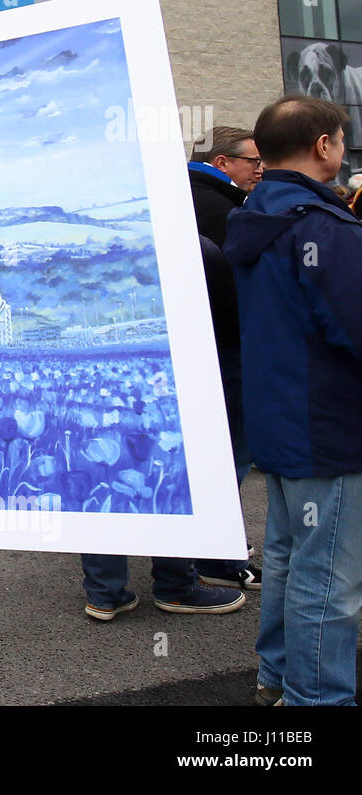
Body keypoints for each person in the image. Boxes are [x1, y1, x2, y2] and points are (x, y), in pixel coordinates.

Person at [225, 94, 362, 706]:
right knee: (329, 575)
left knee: (287, 558)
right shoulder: (320, 227)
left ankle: (276, 678)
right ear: (323, 146)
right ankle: (318, 701)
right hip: (326, 426)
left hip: (280, 420)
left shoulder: (254, 217)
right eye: (340, 138)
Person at [186, 127, 261, 591]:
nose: (259, 167)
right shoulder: (218, 208)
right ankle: (215, 555)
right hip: (227, 350)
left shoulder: (193, 198)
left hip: (206, 350)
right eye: (251, 160)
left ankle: (207, 547)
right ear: (221, 162)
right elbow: (232, 289)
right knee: (231, 451)